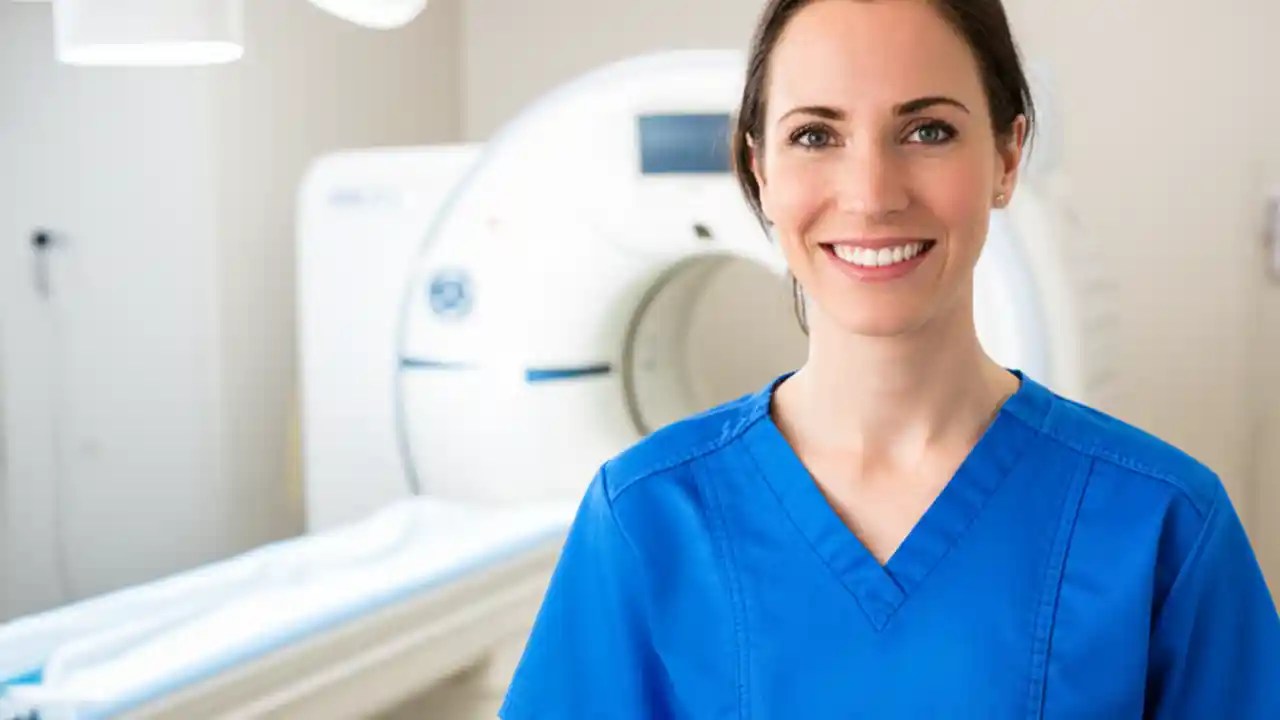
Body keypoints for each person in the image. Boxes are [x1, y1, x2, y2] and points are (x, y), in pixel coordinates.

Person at [498, 0, 1280, 717]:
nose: (871, 194)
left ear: (1009, 158)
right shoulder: (648, 517)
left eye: (927, 130)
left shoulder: (1162, 525)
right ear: (761, 171)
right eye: (815, 135)